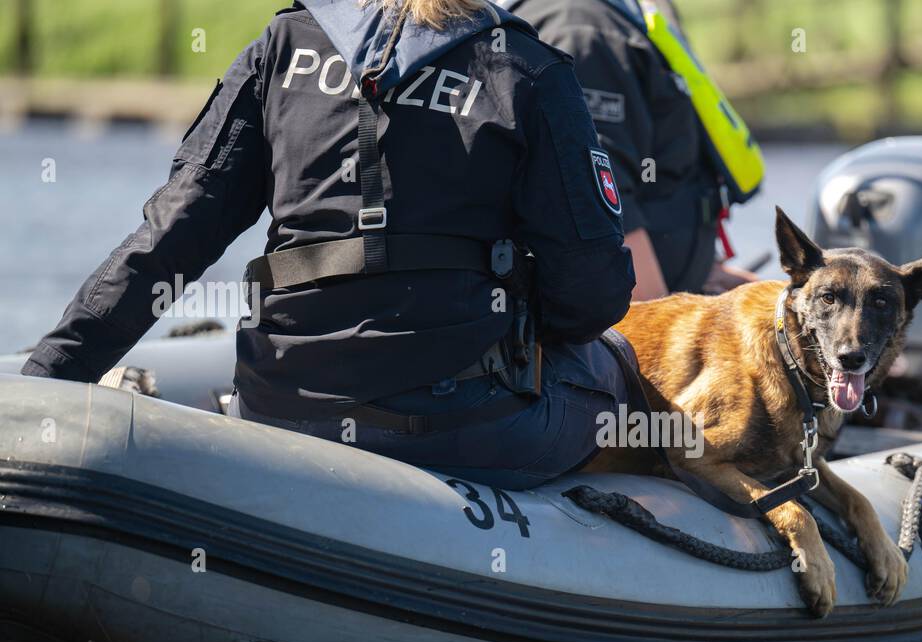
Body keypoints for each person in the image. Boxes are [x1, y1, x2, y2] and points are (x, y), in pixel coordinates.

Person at [20, 0, 635, 490]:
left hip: (280, 406)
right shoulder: (528, 69)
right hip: (461, 426)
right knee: (615, 369)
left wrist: (46, 380)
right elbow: (592, 293)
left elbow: (171, 236)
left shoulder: (284, 45)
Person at [504, 0, 764, 299]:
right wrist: (667, 327)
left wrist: (708, 271)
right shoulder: (583, 28)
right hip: (639, 320)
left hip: (681, 291)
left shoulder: (627, 12)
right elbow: (604, 206)